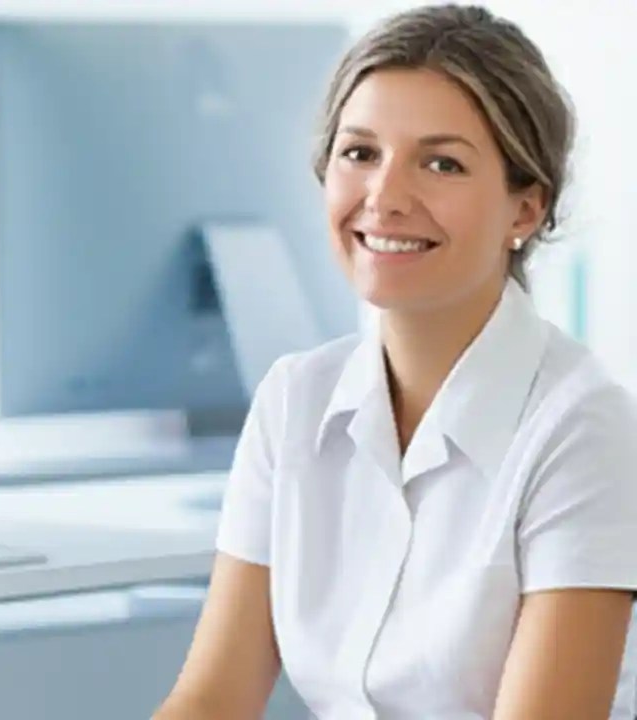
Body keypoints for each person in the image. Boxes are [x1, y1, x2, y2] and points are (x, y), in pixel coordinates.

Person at [153, 4, 637, 718]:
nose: (384, 198)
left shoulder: (583, 428)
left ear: (525, 211)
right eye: (360, 154)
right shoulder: (295, 400)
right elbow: (211, 698)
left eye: (441, 163)